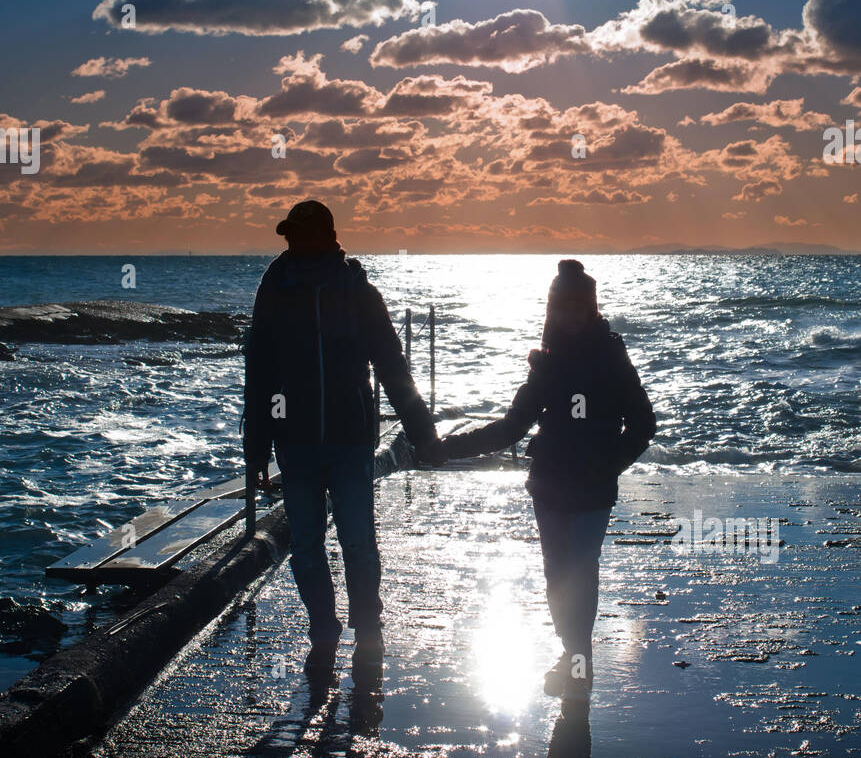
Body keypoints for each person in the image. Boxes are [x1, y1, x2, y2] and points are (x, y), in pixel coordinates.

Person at [439, 260, 656, 700]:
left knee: (580, 571)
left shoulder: (612, 360)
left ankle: (579, 661)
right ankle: (571, 653)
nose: (570, 317)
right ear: (551, 312)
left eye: (578, 309)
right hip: (550, 486)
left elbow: (642, 423)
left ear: (591, 311)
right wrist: (444, 448)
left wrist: (611, 463)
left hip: (594, 489)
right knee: (558, 575)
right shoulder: (547, 367)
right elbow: (511, 427)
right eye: (562, 309)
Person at [243, 200, 440, 669]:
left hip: (351, 437)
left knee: (357, 539)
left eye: (299, 234)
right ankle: (324, 631)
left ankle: (368, 630)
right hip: (295, 441)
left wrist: (421, 431)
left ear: (325, 238)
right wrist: (256, 448)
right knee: (306, 543)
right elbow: (260, 374)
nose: (292, 243)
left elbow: (392, 363)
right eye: (288, 235)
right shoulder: (275, 287)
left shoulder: (357, 291)